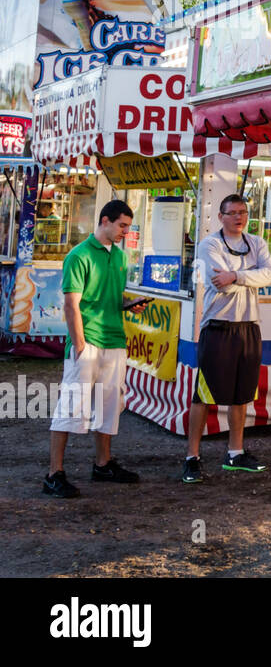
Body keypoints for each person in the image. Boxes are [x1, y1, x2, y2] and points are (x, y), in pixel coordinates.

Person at [44, 199, 143, 498]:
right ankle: (53, 474)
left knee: (109, 406)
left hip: (115, 339)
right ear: (105, 221)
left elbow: (109, 298)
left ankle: (103, 464)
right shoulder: (78, 255)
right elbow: (71, 304)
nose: (126, 231)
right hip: (88, 342)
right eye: (122, 225)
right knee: (70, 407)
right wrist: (79, 345)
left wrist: (128, 305)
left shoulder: (121, 257)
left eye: (128, 226)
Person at [182, 194, 271, 483]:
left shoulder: (257, 242)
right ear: (220, 216)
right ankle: (192, 457)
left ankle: (235, 452)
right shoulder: (210, 244)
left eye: (243, 212)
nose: (238, 217)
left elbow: (268, 276)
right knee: (204, 394)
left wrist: (235, 276)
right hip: (218, 326)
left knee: (242, 393)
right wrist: (247, 276)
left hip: (249, 325)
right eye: (232, 212)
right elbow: (218, 283)